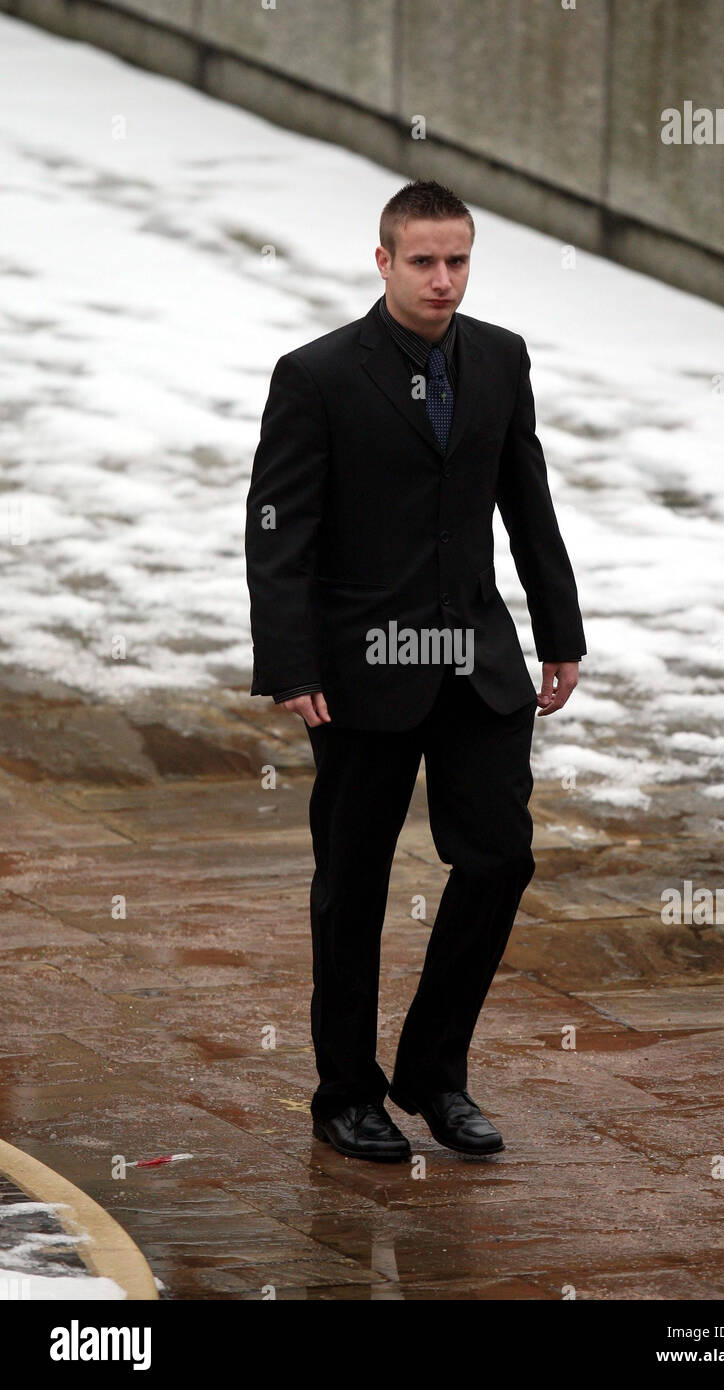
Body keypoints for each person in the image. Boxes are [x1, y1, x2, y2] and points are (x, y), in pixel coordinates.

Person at [245, 180, 586, 1162]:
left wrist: (557, 631)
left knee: (499, 858)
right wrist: (291, 661)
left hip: (476, 662)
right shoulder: (315, 376)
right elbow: (280, 530)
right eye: (425, 261)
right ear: (384, 261)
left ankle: (434, 1075)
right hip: (359, 671)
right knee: (351, 884)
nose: (444, 279)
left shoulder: (500, 357)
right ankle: (344, 1093)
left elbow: (526, 497)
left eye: (459, 261)